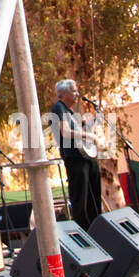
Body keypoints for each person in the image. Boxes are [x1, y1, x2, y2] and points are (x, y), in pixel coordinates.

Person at [50, 78, 102, 230]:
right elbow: (66, 132)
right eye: (73, 90)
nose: (77, 93)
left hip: (86, 157)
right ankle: (84, 231)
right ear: (63, 93)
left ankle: (97, 228)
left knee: (93, 196)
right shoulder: (58, 108)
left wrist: (95, 122)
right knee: (81, 198)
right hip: (74, 159)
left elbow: (80, 133)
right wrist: (89, 136)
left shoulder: (72, 113)